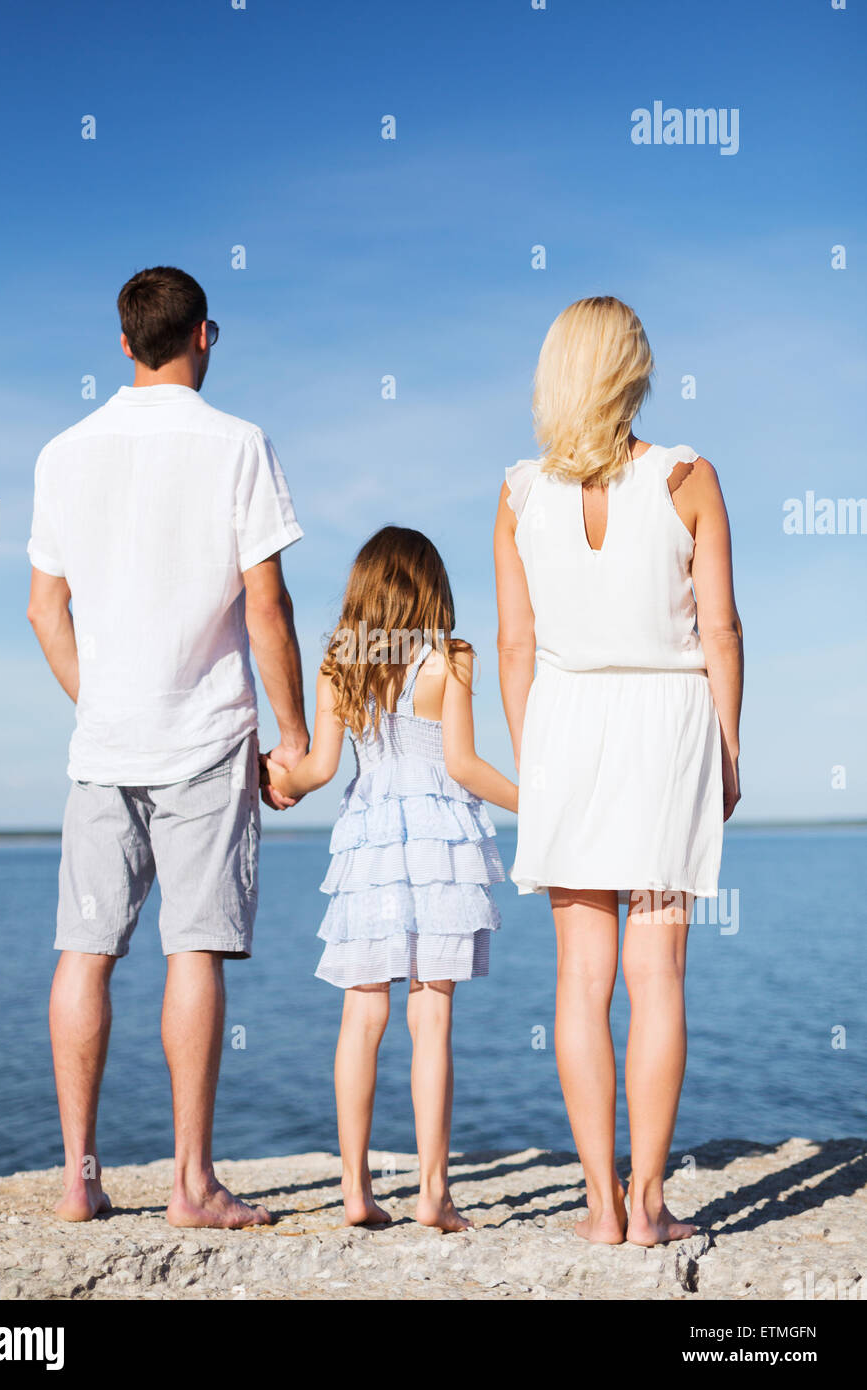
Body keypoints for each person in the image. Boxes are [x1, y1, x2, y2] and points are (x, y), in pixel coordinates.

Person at [27, 265, 308, 1228]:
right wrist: (296, 736)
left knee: (84, 951)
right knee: (195, 949)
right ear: (204, 336)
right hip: (207, 737)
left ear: (122, 344)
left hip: (103, 741)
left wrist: (98, 696)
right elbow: (265, 604)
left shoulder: (63, 452)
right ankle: (191, 1184)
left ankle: (79, 1178)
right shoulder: (238, 445)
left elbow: (43, 608)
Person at [494, 296, 743, 1246]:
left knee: (578, 979)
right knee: (660, 976)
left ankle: (597, 1205)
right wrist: (729, 745)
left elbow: (516, 648)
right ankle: (648, 1205)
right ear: (632, 371)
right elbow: (719, 630)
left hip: (565, 725)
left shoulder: (518, 495)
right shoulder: (687, 477)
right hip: (668, 725)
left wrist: (536, 754)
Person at [267, 527, 517, 1231]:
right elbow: (464, 766)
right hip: (439, 846)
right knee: (430, 1015)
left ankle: (355, 1192)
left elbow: (317, 770)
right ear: (429, 586)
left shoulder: (339, 661)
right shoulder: (452, 658)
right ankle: (433, 1196)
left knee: (362, 1013)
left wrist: (273, 778)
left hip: (369, 844)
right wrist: (538, 802)